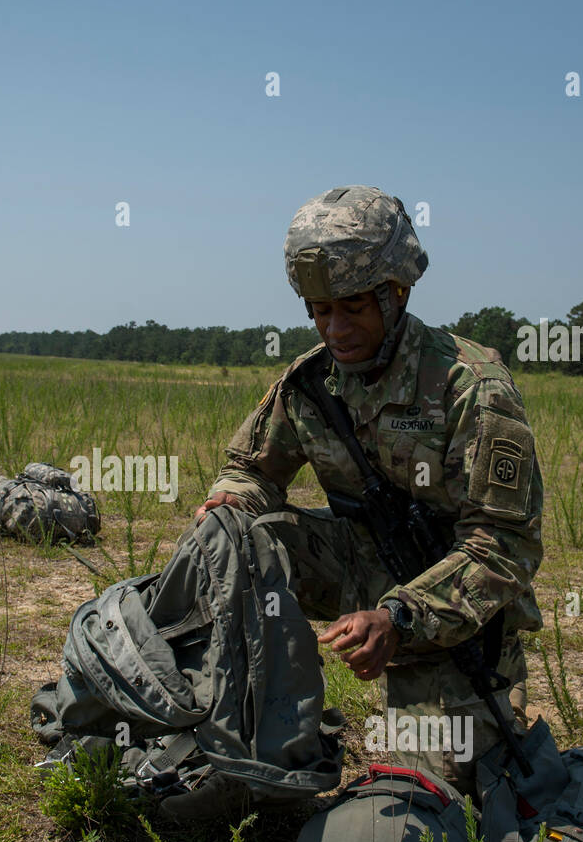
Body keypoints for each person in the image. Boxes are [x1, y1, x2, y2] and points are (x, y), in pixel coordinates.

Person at [191, 185, 544, 804]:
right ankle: (251, 738)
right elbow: (249, 469)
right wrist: (227, 503)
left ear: (396, 293)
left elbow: (504, 547)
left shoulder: (470, 387)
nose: (336, 328)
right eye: (320, 311)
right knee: (234, 542)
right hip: (353, 564)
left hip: (451, 620)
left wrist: (399, 617)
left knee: (433, 802)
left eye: (352, 307)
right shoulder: (310, 383)